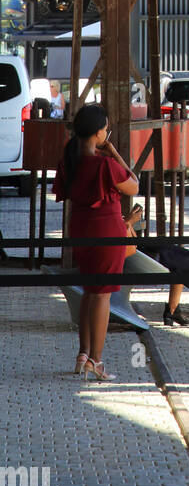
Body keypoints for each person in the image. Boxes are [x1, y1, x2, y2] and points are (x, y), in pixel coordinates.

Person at [52, 104, 139, 383]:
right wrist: (113, 150)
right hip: (107, 231)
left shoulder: (70, 161)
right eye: (105, 128)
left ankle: (83, 354)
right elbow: (134, 185)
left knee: (90, 291)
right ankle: (97, 361)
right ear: (99, 132)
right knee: (102, 295)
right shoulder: (106, 164)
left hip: (81, 229)